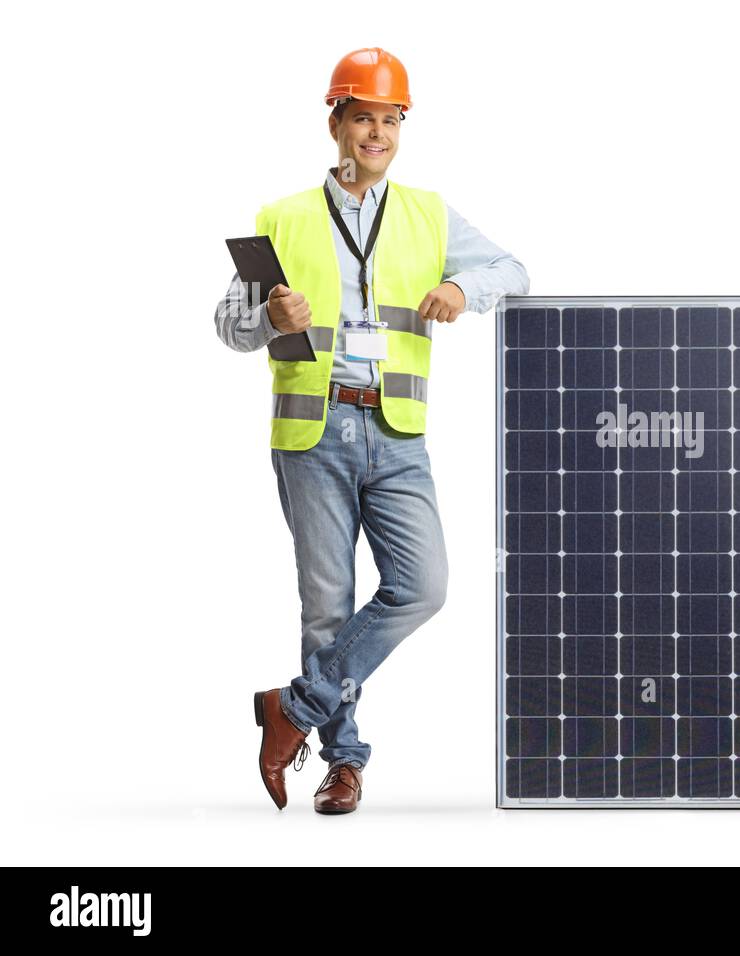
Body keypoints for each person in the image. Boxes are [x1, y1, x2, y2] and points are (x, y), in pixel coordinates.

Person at [215, 47, 529, 813]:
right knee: (327, 603)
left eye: (390, 120)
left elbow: (514, 272)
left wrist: (461, 285)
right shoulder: (282, 218)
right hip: (313, 434)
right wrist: (266, 317)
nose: (377, 133)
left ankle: (292, 708)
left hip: (396, 434)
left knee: (422, 587)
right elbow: (227, 326)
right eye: (363, 118)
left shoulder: (427, 212)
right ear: (337, 123)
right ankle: (343, 762)